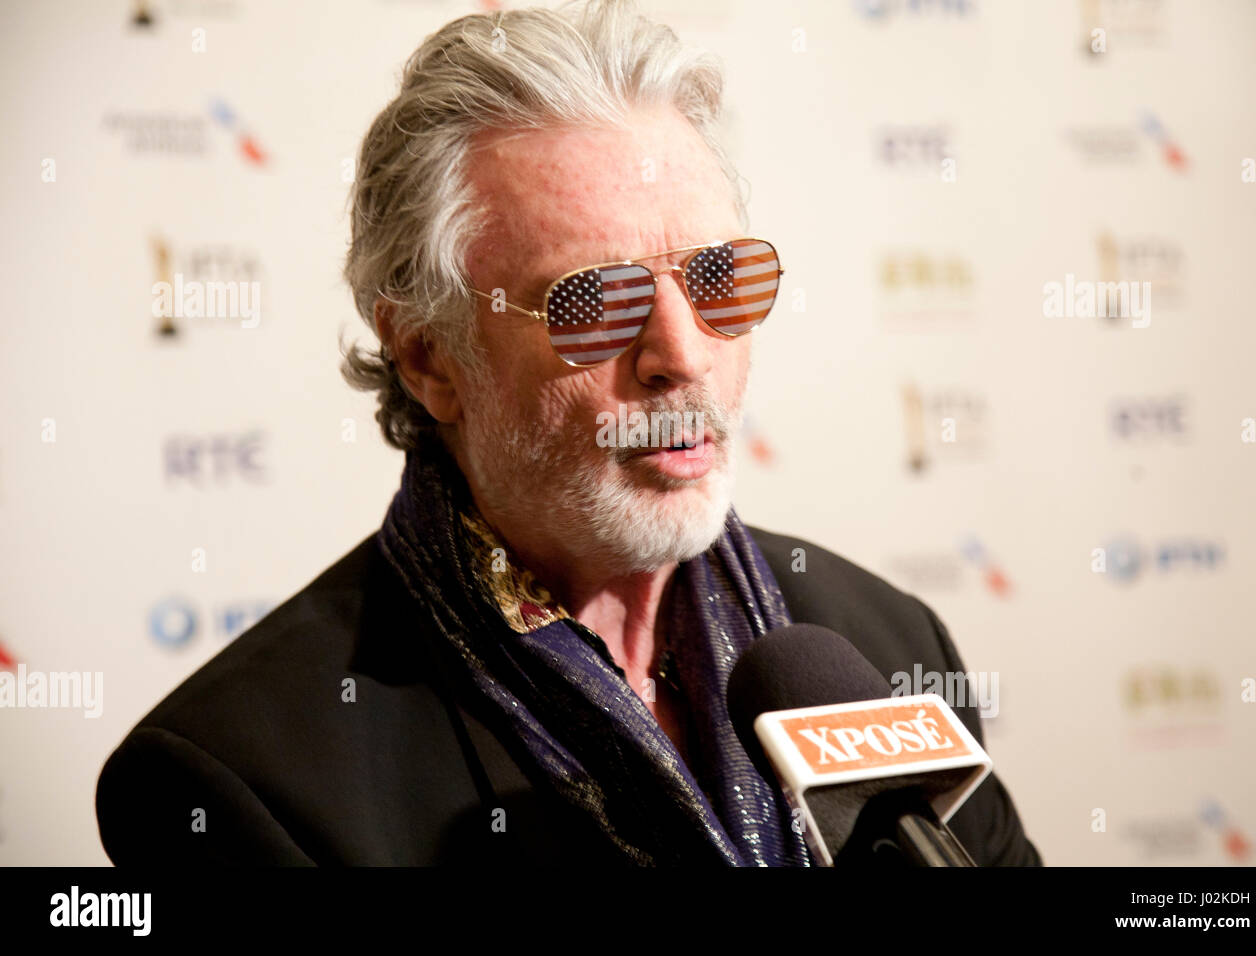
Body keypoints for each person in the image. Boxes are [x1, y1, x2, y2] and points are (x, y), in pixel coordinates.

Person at [96, 0, 1041, 866]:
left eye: (718, 280)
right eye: (594, 301)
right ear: (429, 357)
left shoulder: (887, 642)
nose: (681, 352)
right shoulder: (242, 780)